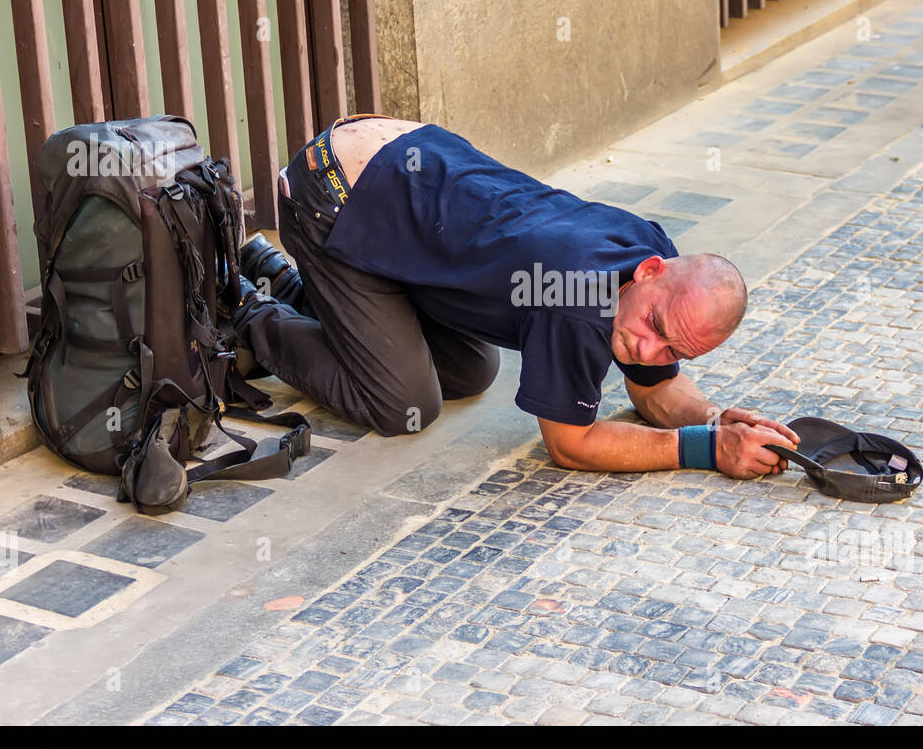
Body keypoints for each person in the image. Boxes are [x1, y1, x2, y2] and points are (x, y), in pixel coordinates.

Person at [229, 114, 800, 479]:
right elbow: (573, 444)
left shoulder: (652, 270)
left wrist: (716, 419)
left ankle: (282, 278)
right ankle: (242, 308)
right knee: (402, 406)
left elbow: (658, 389)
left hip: (406, 172)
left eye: (673, 346)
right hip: (332, 186)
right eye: (654, 329)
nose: (649, 350)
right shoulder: (577, 299)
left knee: (469, 373)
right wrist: (703, 451)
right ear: (650, 273)